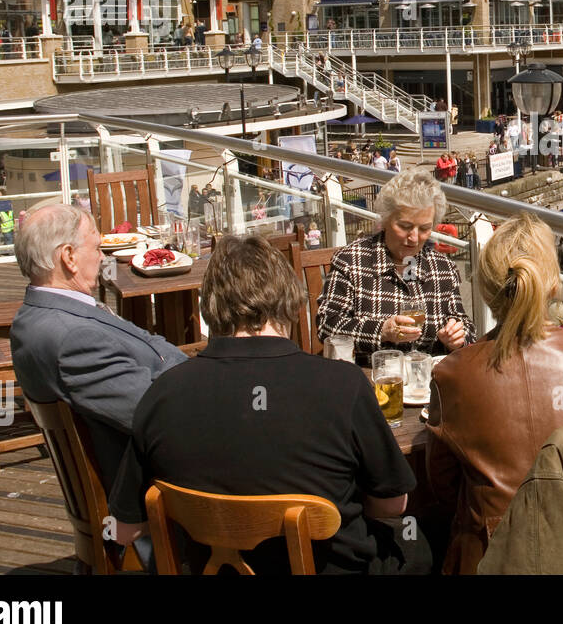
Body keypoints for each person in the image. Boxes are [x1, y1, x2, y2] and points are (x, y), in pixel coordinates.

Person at [109, 234, 430, 575]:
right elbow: (392, 504)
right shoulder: (344, 385)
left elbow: (126, 529)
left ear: (211, 307)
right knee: (419, 541)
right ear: (290, 303)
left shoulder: (163, 393)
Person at [425, 213, 563, 573]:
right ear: (553, 285)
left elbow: (442, 486)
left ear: (487, 290)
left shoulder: (452, 373)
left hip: (491, 557)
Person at [9, 205, 187, 530]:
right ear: (69, 257)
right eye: (96, 246)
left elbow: (147, 342)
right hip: (154, 500)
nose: (103, 256)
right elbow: (160, 415)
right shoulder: (73, 338)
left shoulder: (38, 317)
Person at [316, 170, 473, 367]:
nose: (414, 238)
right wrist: (382, 331)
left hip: (425, 386)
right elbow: (327, 326)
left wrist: (457, 337)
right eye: (405, 226)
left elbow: (466, 327)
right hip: (372, 382)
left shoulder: (442, 267)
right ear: (385, 220)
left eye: (424, 229)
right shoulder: (352, 261)